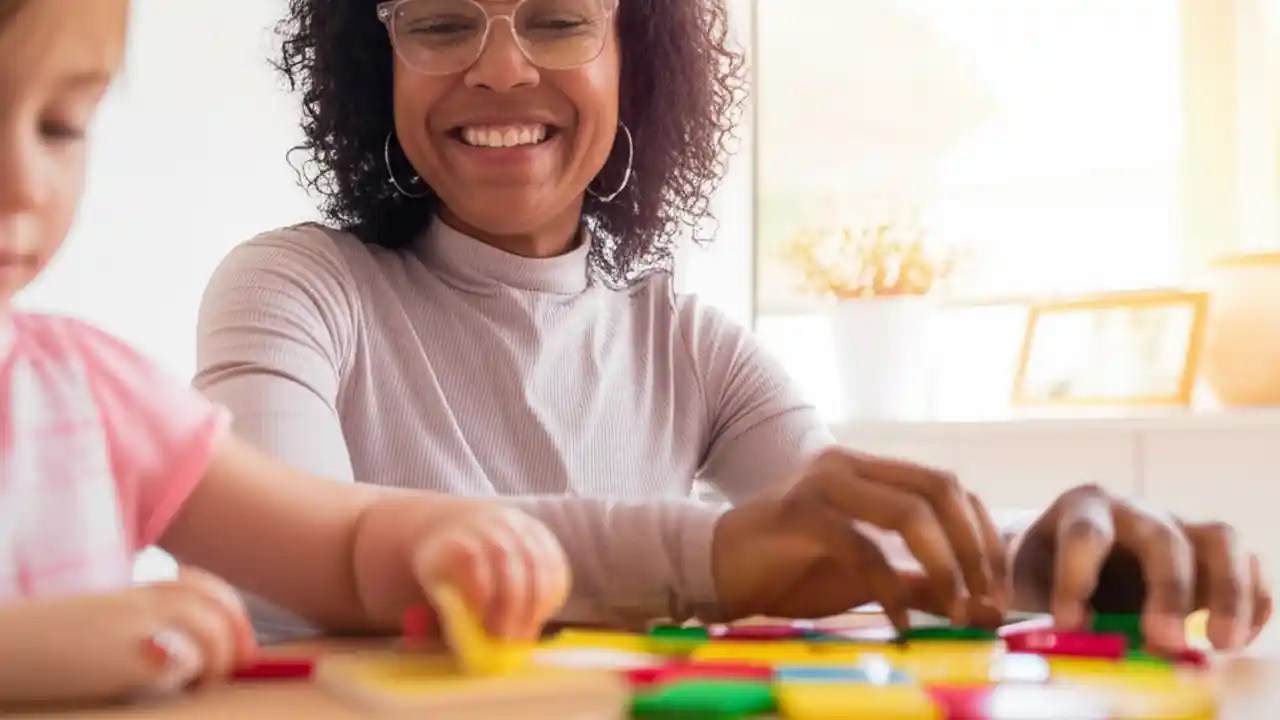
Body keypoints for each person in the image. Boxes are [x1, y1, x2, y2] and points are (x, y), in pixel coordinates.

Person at [196, 0, 1271, 653]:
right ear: (375, 66)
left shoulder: (690, 343)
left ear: (635, 62)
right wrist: (711, 558)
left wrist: (1055, 551)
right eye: (438, 23)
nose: (501, 67)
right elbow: (283, 553)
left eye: (560, 18)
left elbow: (859, 544)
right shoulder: (292, 287)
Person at [0, 0, 573, 707]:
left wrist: (439, 543)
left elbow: (340, 550)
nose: (22, 184)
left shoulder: (85, 390)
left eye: (58, 127)